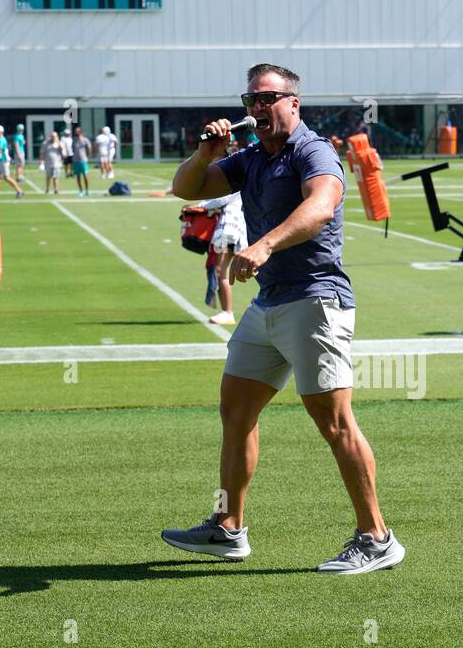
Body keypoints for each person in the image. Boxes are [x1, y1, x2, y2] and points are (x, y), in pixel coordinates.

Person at [162, 63, 404, 574]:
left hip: (315, 299)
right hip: (270, 302)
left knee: (333, 422)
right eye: (251, 99)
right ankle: (229, 528)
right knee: (236, 412)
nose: (258, 108)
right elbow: (186, 188)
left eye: (268, 98)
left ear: (294, 102)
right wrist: (206, 153)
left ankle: (377, 537)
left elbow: (322, 204)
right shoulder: (250, 157)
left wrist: (266, 244)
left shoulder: (313, 150)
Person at [200, 154, 249, 327]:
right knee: (241, 270)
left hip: (229, 229)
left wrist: (199, 206)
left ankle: (227, 312)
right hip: (237, 229)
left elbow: (220, 200)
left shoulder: (234, 180)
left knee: (220, 270)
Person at [0, 125, 23, 199]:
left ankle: (19, 191)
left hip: (3, 161)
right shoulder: (0, 139)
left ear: (1, 132)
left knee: (7, 177)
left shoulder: (1, 140)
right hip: (0, 161)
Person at [71, 125, 92, 196]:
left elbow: (89, 148)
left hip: (83, 160)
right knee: (78, 176)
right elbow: (72, 149)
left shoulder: (85, 140)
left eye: (77, 131)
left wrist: (87, 156)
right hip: (76, 160)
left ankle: (87, 190)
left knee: (85, 175)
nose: (76, 133)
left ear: (80, 132)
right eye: (75, 132)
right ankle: (80, 191)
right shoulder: (73, 140)